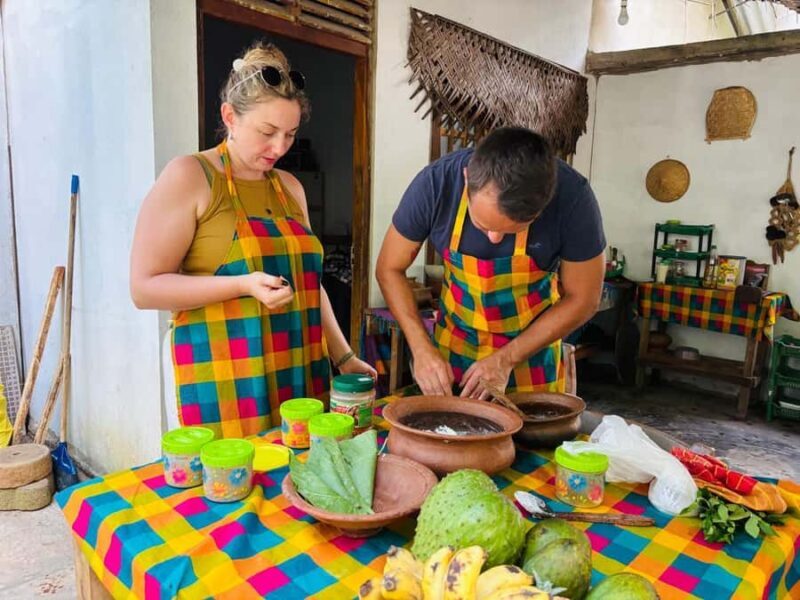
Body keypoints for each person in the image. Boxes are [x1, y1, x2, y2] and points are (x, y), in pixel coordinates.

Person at [130, 42, 375, 439]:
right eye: (267, 132)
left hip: (296, 361)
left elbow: (308, 286)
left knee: (297, 472)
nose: (279, 147)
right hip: (221, 372)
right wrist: (243, 285)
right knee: (229, 483)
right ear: (230, 116)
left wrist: (343, 355)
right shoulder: (190, 177)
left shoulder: (290, 188)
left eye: (290, 134)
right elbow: (144, 289)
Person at [376, 127, 605, 399]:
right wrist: (421, 348)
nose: (495, 239)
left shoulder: (573, 197)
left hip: (531, 356)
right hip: (453, 352)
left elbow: (584, 299)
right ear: (466, 179)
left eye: (514, 230)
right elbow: (389, 268)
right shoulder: (436, 185)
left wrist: (506, 359)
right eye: (483, 226)